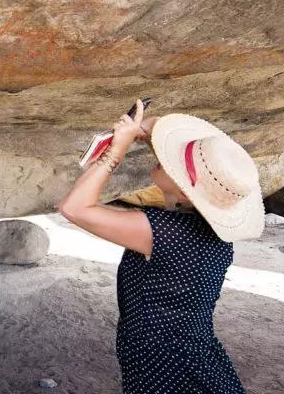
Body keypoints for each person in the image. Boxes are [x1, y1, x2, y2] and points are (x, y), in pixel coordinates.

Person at [57, 101, 264, 394]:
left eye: (175, 165)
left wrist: (116, 152)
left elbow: (74, 208)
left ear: (184, 191)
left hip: (166, 365)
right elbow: (158, 127)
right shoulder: (210, 233)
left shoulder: (165, 231)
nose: (167, 160)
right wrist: (142, 130)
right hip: (195, 356)